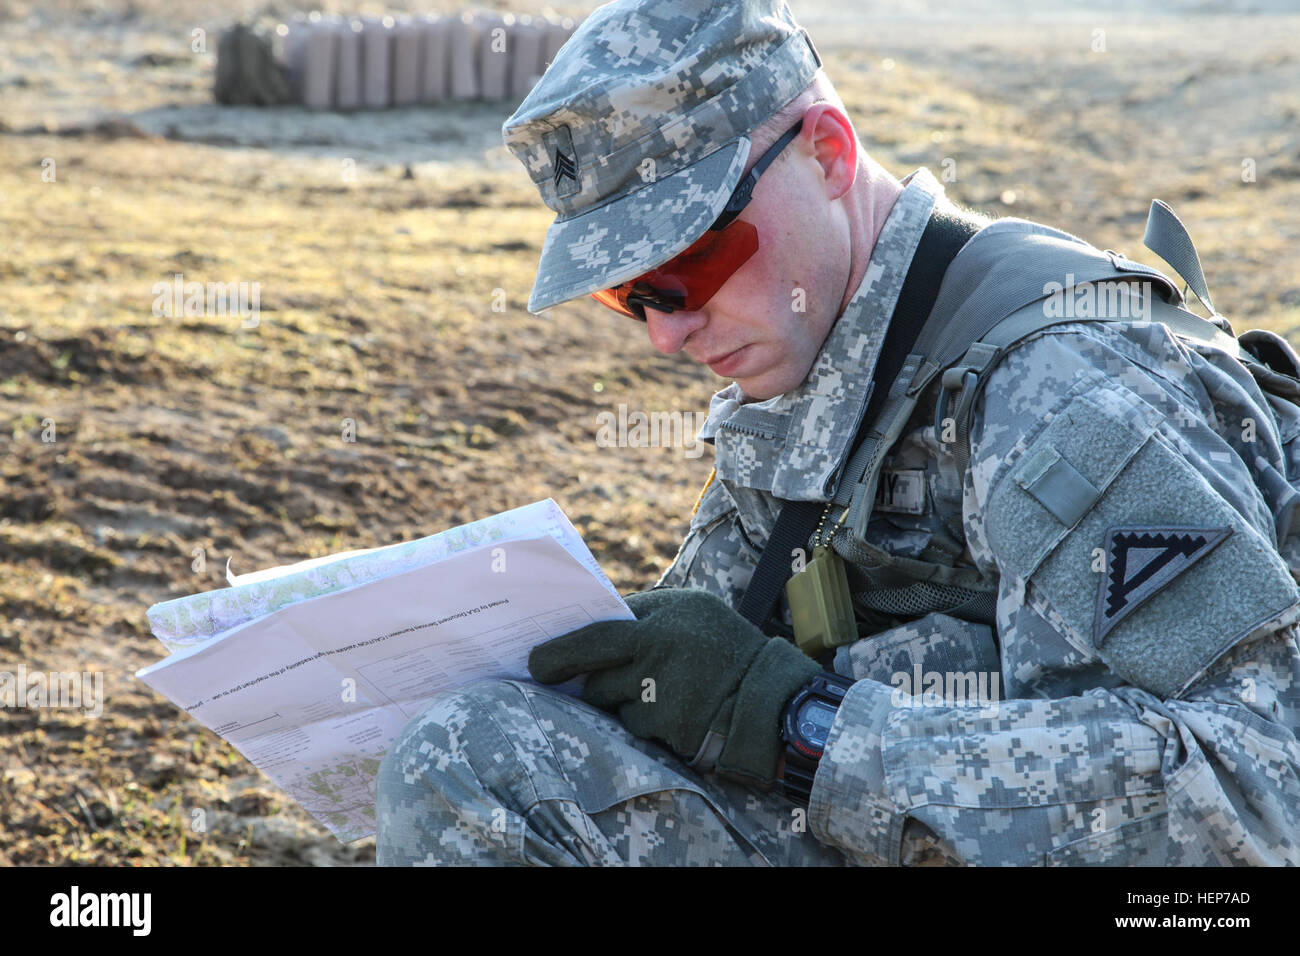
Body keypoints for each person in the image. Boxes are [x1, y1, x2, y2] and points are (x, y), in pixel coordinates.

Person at [373, 0, 1300, 866]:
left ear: (827, 151)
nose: (667, 329)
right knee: (484, 758)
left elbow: (1260, 786)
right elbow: (716, 668)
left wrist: (803, 731)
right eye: (632, 295)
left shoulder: (1063, 393)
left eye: (693, 259)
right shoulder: (810, 355)